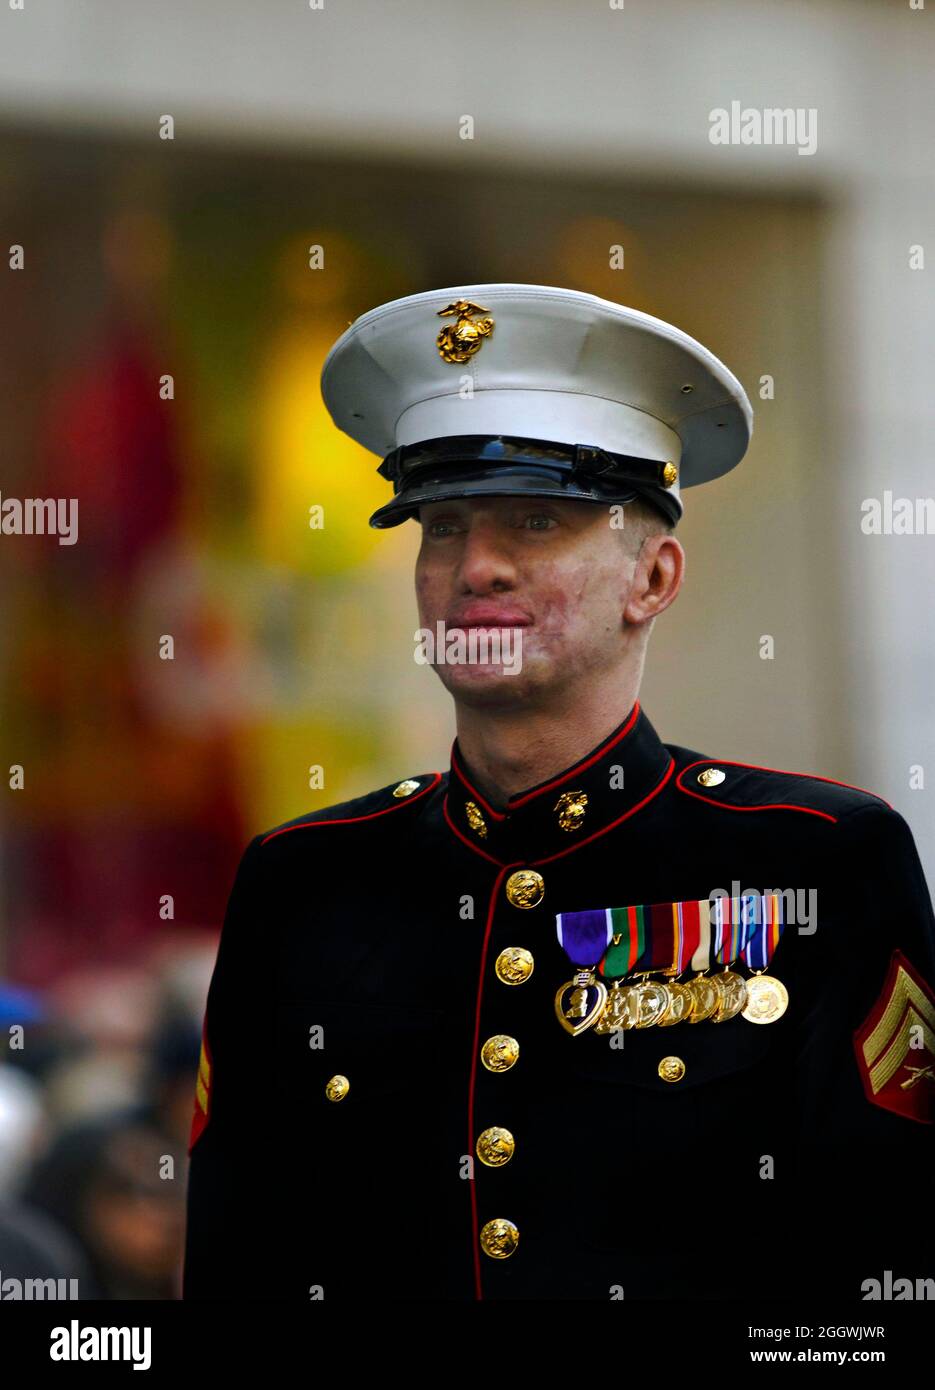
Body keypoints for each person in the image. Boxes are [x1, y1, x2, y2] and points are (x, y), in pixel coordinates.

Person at [182, 284, 935, 1301]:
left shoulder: (812, 857)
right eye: (440, 527)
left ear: (652, 579)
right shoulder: (301, 880)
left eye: (534, 522)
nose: (474, 567)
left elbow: (883, 1270)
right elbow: (242, 1260)